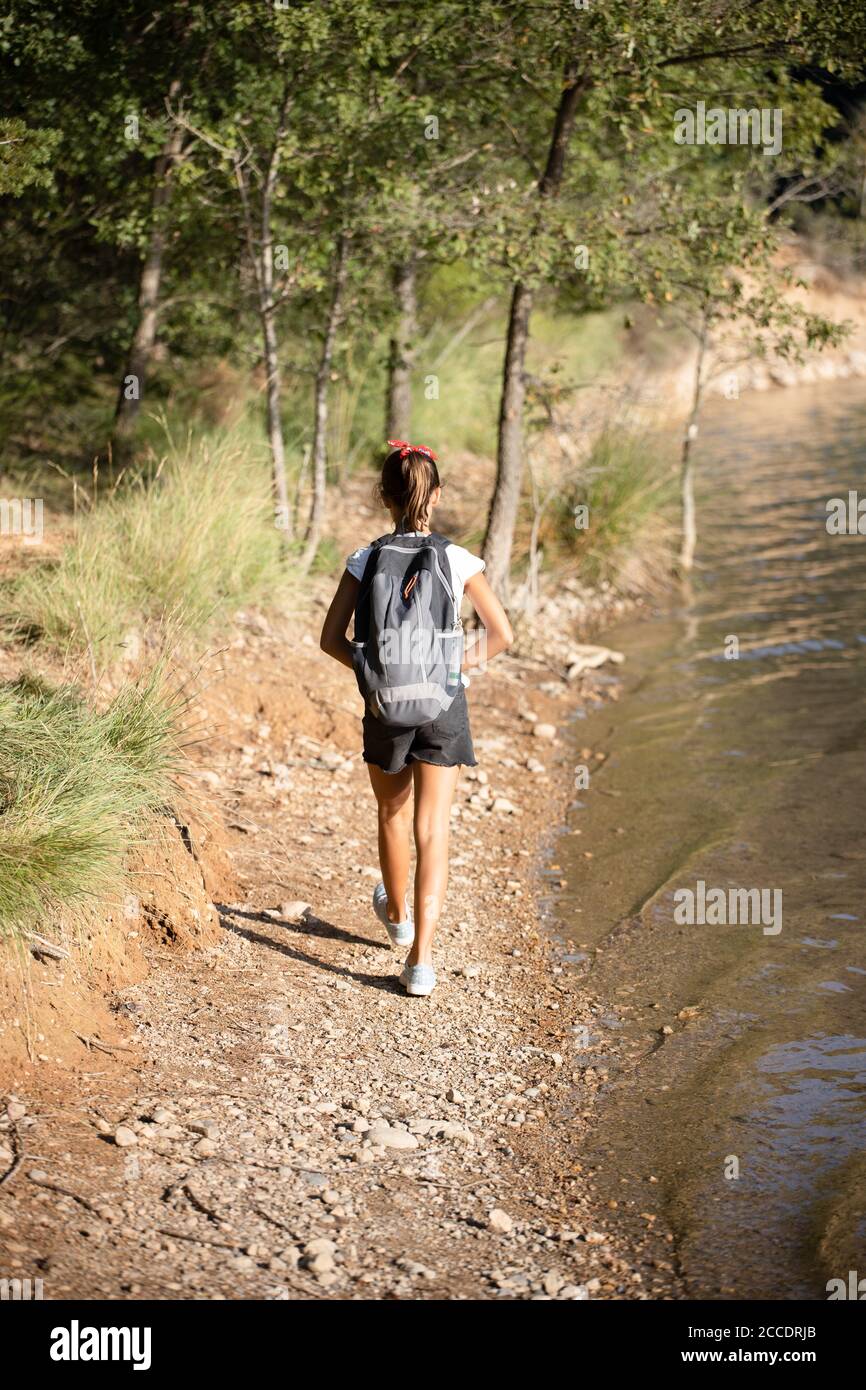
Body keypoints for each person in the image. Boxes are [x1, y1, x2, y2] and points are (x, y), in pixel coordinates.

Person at [320, 440, 513, 996]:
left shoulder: (367, 558)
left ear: (385, 495)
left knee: (391, 815)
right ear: (438, 493)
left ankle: (397, 919)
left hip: (385, 705)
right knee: (433, 829)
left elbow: (332, 639)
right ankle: (421, 964)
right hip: (443, 705)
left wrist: (371, 667)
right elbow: (501, 635)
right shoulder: (457, 559)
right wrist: (455, 665)